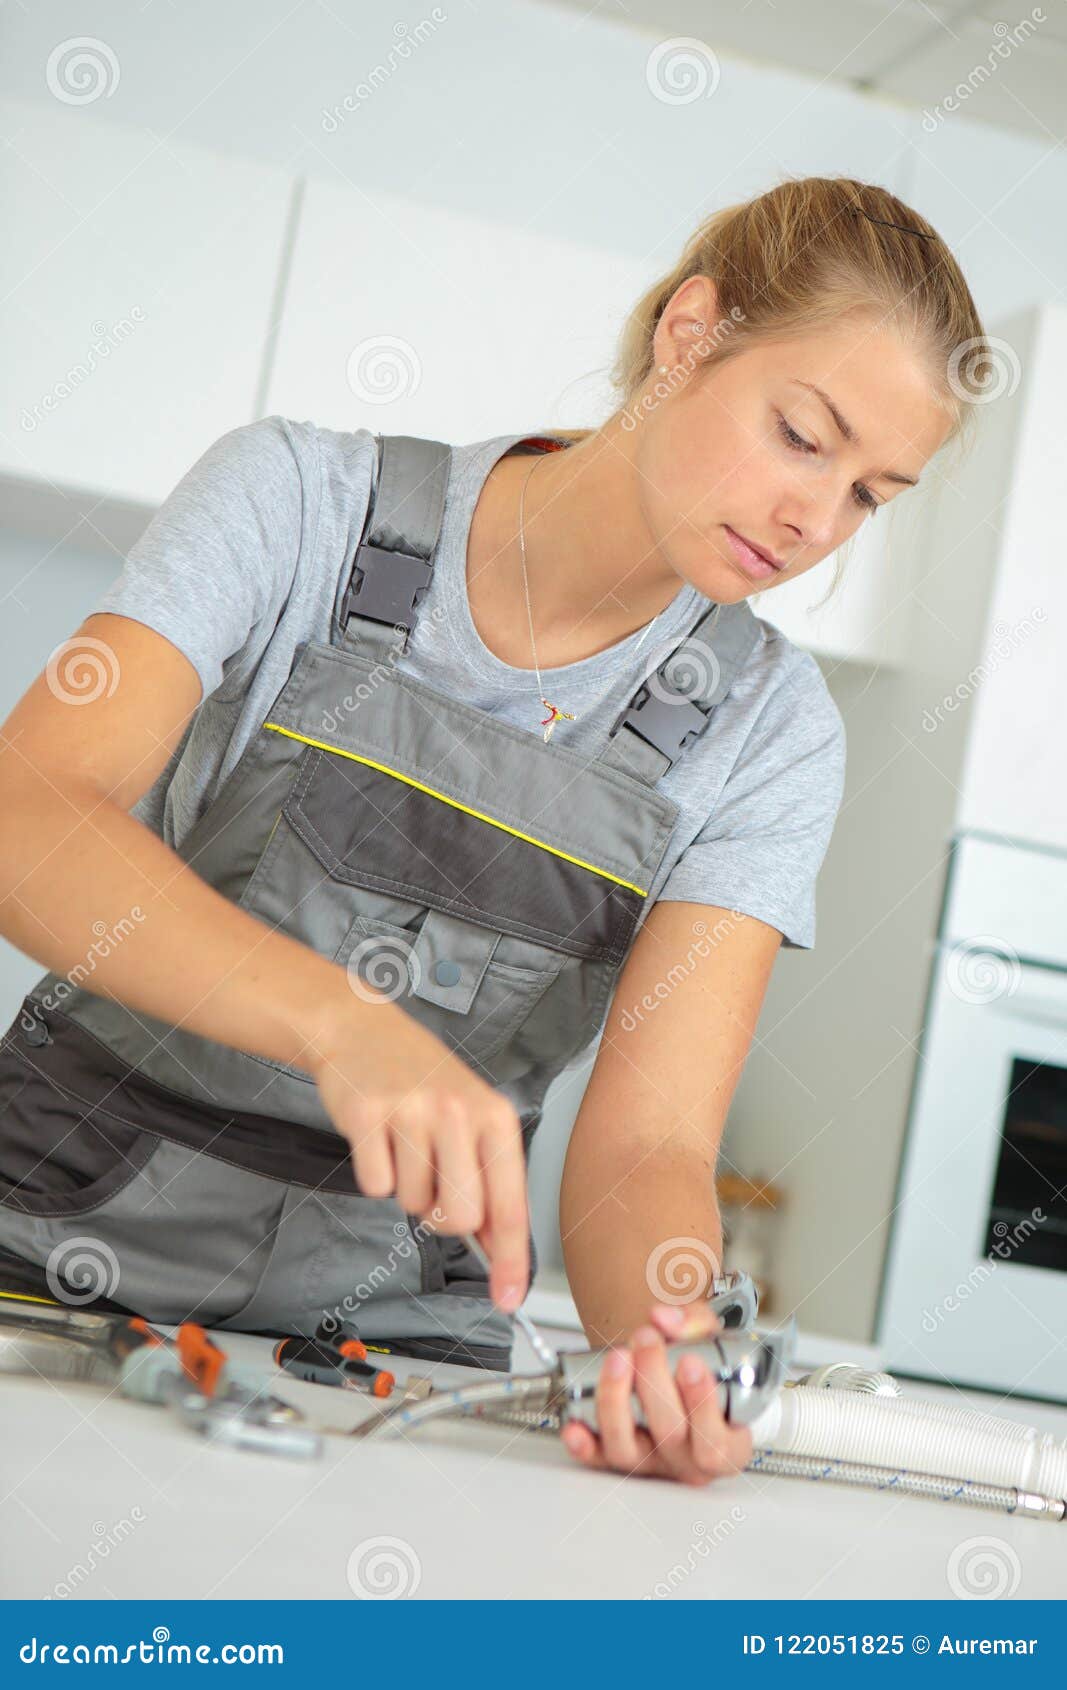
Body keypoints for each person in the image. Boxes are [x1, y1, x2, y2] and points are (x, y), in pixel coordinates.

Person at [0, 175, 986, 1486]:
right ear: (691, 332)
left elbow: (646, 1148)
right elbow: (29, 814)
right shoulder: (299, 502)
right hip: (47, 1249)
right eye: (803, 435)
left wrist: (670, 1347)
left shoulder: (769, 730)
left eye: (871, 493)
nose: (817, 522)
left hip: (395, 1343)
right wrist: (342, 1023)